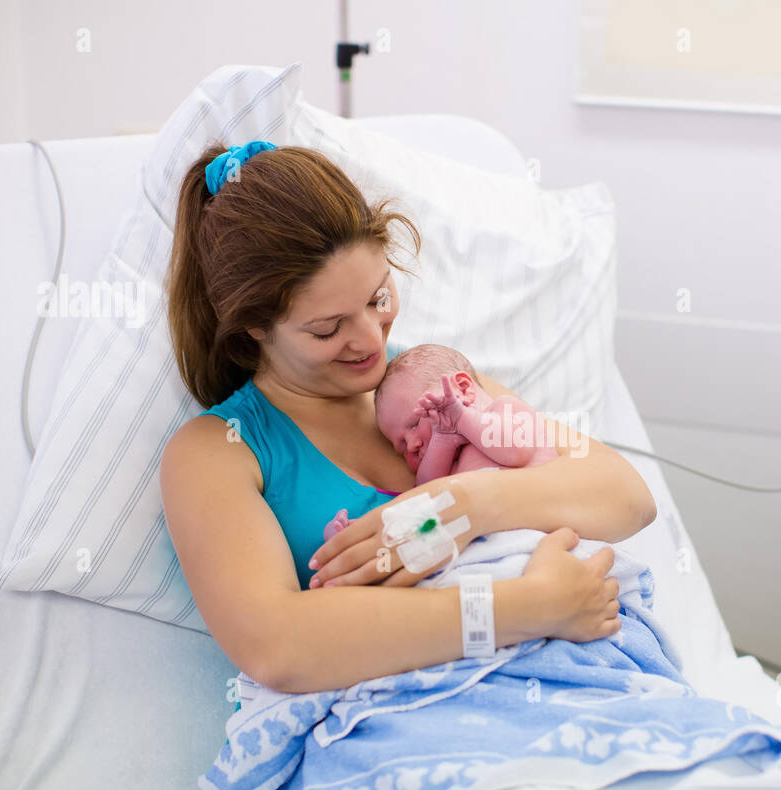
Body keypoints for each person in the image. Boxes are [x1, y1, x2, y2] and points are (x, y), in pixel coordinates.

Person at [160, 140, 657, 696]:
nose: (371, 340)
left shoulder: (429, 382)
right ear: (254, 326)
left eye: (378, 298)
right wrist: (525, 608)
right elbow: (277, 648)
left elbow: (627, 496)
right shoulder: (216, 451)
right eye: (328, 329)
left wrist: (460, 508)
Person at [320, 343, 560, 543]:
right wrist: (443, 441)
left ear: (463, 389)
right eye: (401, 447)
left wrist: (463, 419)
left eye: (415, 424)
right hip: (486, 552)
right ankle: (354, 538)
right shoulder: (452, 464)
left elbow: (515, 452)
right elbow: (425, 496)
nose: (412, 444)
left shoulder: (505, 409)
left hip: (538, 533)